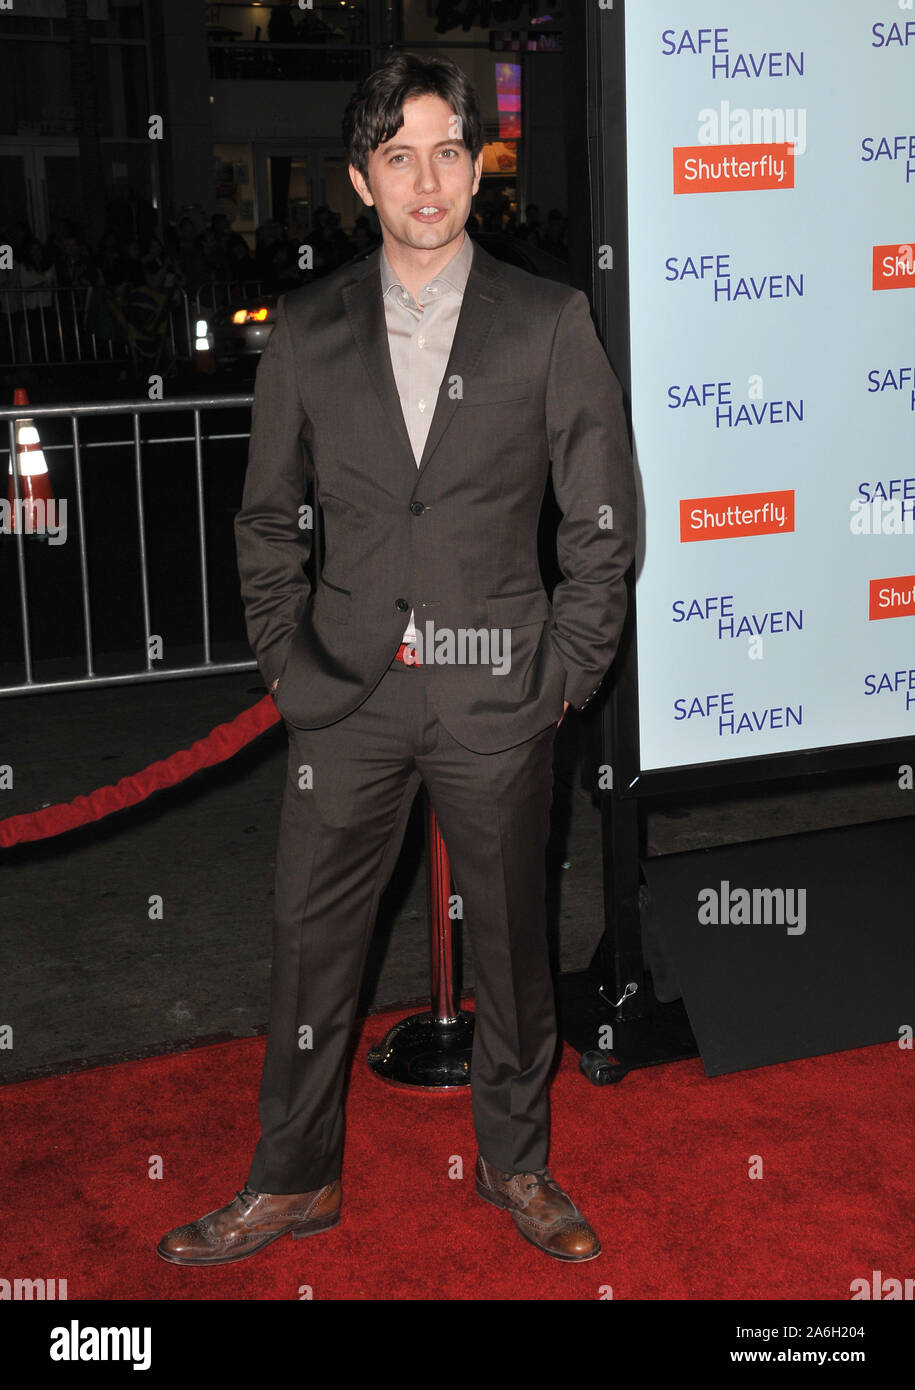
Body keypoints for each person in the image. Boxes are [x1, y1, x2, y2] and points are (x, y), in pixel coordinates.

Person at [158, 51, 635, 1269]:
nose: (428, 180)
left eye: (447, 152)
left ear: (477, 167)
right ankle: (292, 1179)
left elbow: (603, 521)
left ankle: (517, 1164)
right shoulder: (309, 335)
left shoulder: (546, 320)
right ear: (363, 181)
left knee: (514, 948)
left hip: (499, 691)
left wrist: (564, 678)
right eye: (399, 156)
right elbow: (266, 523)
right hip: (347, 698)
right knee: (313, 942)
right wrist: (288, 662)